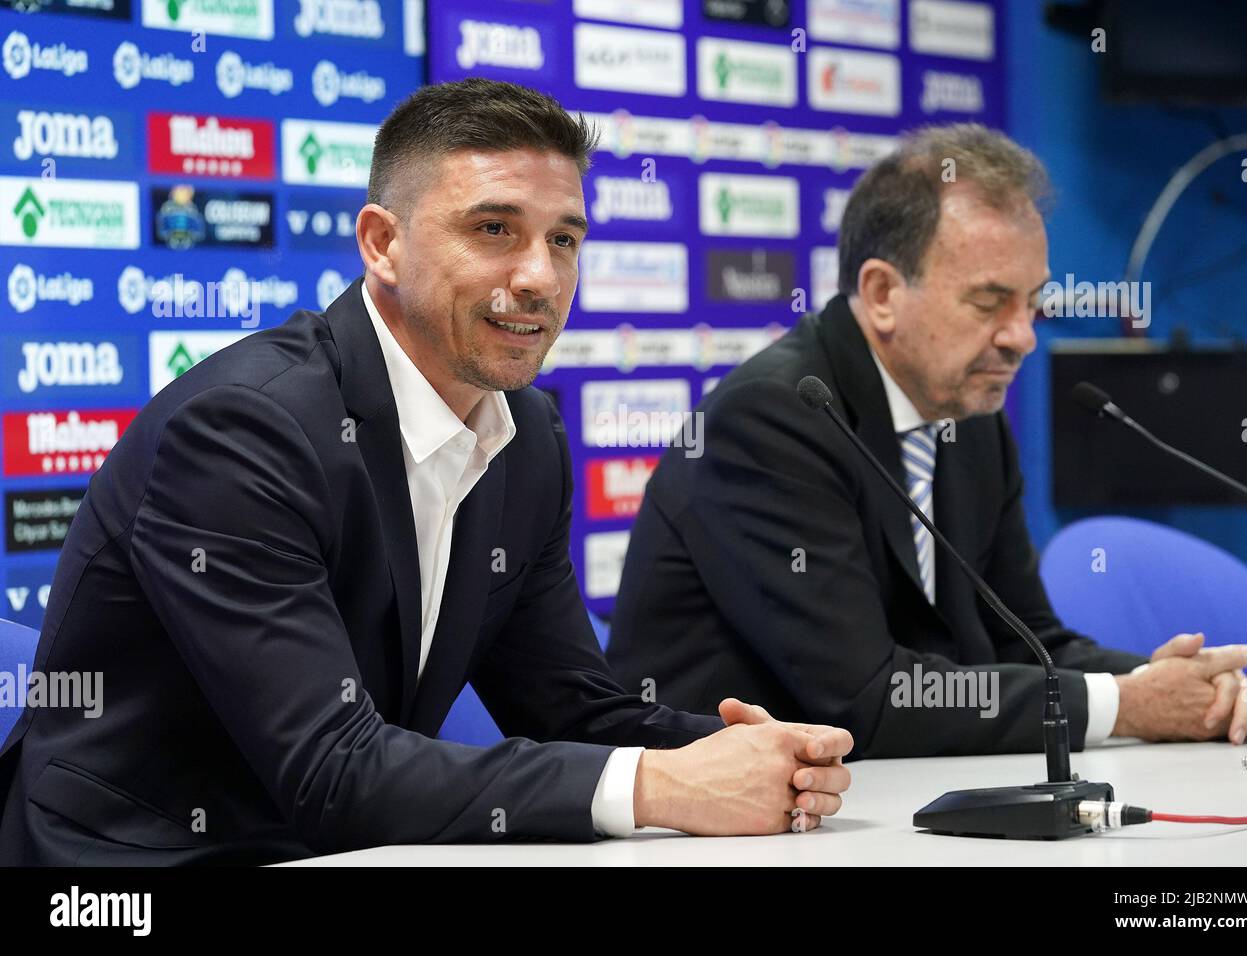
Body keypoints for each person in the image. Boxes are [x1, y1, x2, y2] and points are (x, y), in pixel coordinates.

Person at [0, 79, 852, 865]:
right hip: (138, 869)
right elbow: (334, 771)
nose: (541, 278)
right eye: (494, 230)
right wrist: (662, 787)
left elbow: (570, 708)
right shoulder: (243, 431)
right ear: (382, 243)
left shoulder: (528, 433)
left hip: (352, 852)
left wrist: (749, 754)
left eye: (564, 239)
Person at [607, 123, 1247, 758]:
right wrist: (1127, 705)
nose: (1022, 337)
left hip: (882, 801)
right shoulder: (773, 420)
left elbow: (1030, 642)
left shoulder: (968, 410)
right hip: (716, 830)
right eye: (990, 303)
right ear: (881, 294)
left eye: (1033, 303)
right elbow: (866, 697)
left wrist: (1180, 689)